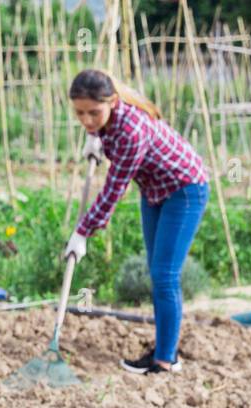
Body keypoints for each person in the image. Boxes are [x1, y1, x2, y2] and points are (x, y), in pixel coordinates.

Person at [65, 68, 210, 374]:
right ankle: (163, 348)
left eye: (94, 113)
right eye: (80, 114)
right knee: (157, 271)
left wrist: (82, 232)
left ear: (113, 102)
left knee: (164, 274)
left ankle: (165, 359)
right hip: (155, 190)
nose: (87, 120)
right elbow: (97, 129)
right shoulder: (105, 120)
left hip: (185, 190)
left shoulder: (131, 131)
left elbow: (114, 190)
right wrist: (95, 138)